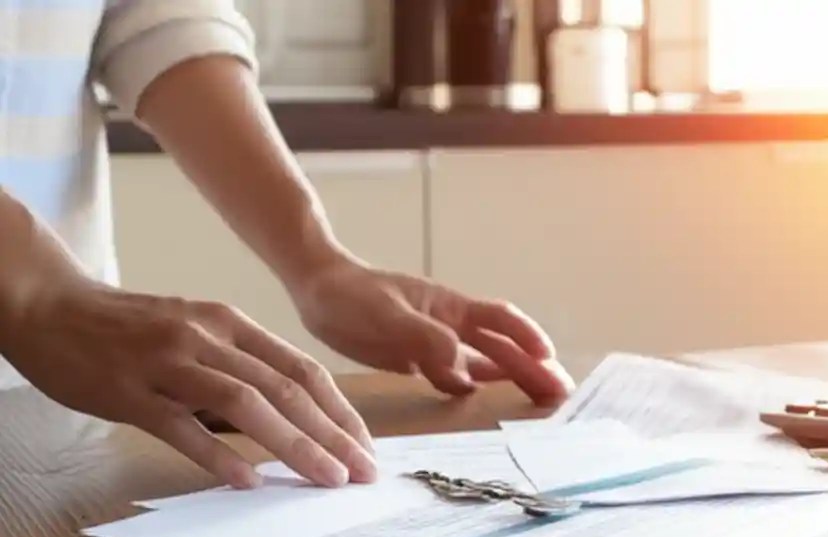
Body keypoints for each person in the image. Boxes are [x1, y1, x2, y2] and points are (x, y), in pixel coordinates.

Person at [0, 2, 574, 491]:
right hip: (55, 333)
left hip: (55, 410)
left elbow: (155, 15)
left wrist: (318, 264)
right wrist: (31, 293)